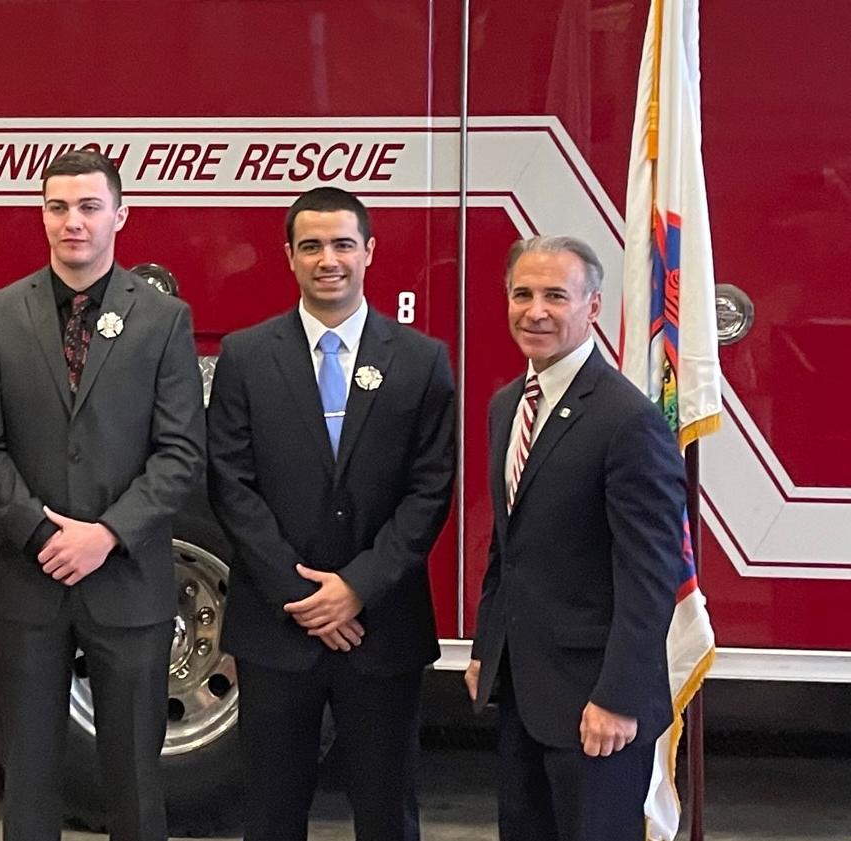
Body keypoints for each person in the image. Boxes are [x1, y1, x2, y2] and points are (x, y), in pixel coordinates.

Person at [0, 149, 206, 841]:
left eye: (90, 207)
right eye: (58, 207)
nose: (74, 222)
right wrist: (40, 533)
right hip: (26, 584)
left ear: (120, 215)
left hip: (128, 584)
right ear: (42, 216)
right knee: (29, 783)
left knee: (135, 783)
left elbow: (181, 453)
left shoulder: (164, 321)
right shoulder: (0, 314)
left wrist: (106, 534)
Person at [206, 186, 456, 840]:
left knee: (387, 815)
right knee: (271, 815)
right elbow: (230, 484)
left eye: (343, 244)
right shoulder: (245, 356)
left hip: (383, 627)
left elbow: (430, 490)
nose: (328, 260)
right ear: (288, 256)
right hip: (276, 629)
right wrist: (301, 596)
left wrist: (356, 588)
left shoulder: (422, 360)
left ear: (369, 251)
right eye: (311, 246)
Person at [466, 236, 684, 841]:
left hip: (597, 704)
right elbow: (508, 545)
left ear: (593, 306)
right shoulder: (508, 405)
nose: (535, 311)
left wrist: (618, 697)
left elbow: (650, 576)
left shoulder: (628, 420)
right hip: (524, 691)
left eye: (556, 296)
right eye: (522, 294)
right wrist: (487, 648)